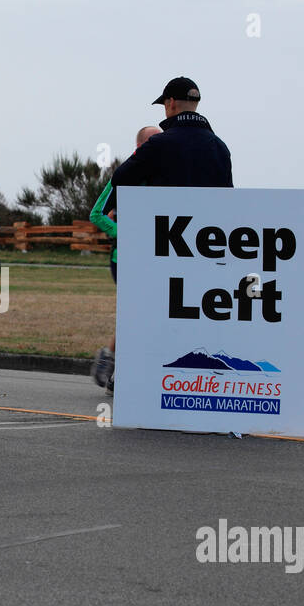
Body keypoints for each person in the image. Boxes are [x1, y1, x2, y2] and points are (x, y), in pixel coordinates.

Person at [89, 125, 160, 391]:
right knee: (134, 314)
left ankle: (116, 364)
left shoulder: (161, 173)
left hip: (154, 257)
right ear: (141, 145)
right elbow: (96, 214)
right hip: (125, 259)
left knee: (145, 314)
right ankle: (111, 364)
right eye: (156, 141)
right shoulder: (125, 174)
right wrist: (125, 234)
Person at [108, 76, 232, 195]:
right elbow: (228, 196)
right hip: (208, 216)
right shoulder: (220, 147)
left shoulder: (157, 144)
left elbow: (119, 179)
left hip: (162, 215)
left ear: (171, 103)